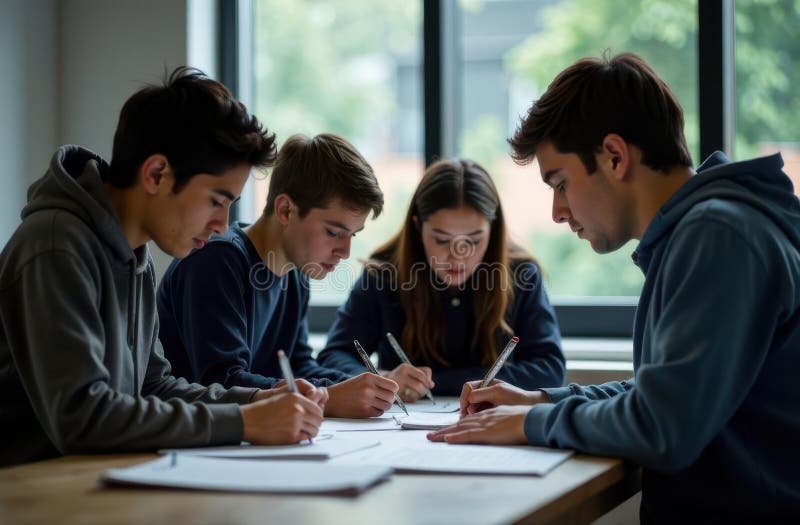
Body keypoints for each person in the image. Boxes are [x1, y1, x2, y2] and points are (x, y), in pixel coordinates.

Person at [428, 53, 800, 522]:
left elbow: (663, 427)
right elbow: (663, 395)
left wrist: (529, 423)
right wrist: (541, 399)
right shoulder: (698, 233)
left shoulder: (718, 236)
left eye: (559, 183)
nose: (557, 213)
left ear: (615, 156)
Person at [0, 67, 327, 467]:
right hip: (28, 489)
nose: (223, 224)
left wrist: (258, 399)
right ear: (156, 174)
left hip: (88, 478)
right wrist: (244, 422)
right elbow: (83, 419)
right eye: (216, 200)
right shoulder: (55, 246)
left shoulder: (134, 254)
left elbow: (153, 386)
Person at [157, 133, 400, 418]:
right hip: (193, 439)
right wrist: (329, 396)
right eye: (334, 232)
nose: (345, 252)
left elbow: (299, 365)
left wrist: (365, 385)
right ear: (285, 210)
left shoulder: (296, 271)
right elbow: (222, 381)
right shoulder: (216, 261)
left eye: (352, 235)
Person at [317, 158, 565, 401]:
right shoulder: (383, 274)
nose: (457, 257)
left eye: (474, 240)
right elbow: (334, 357)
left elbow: (549, 370)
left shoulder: (521, 275)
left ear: (493, 228)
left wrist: (439, 381)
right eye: (442, 240)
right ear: (418, 227)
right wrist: (384, 379)